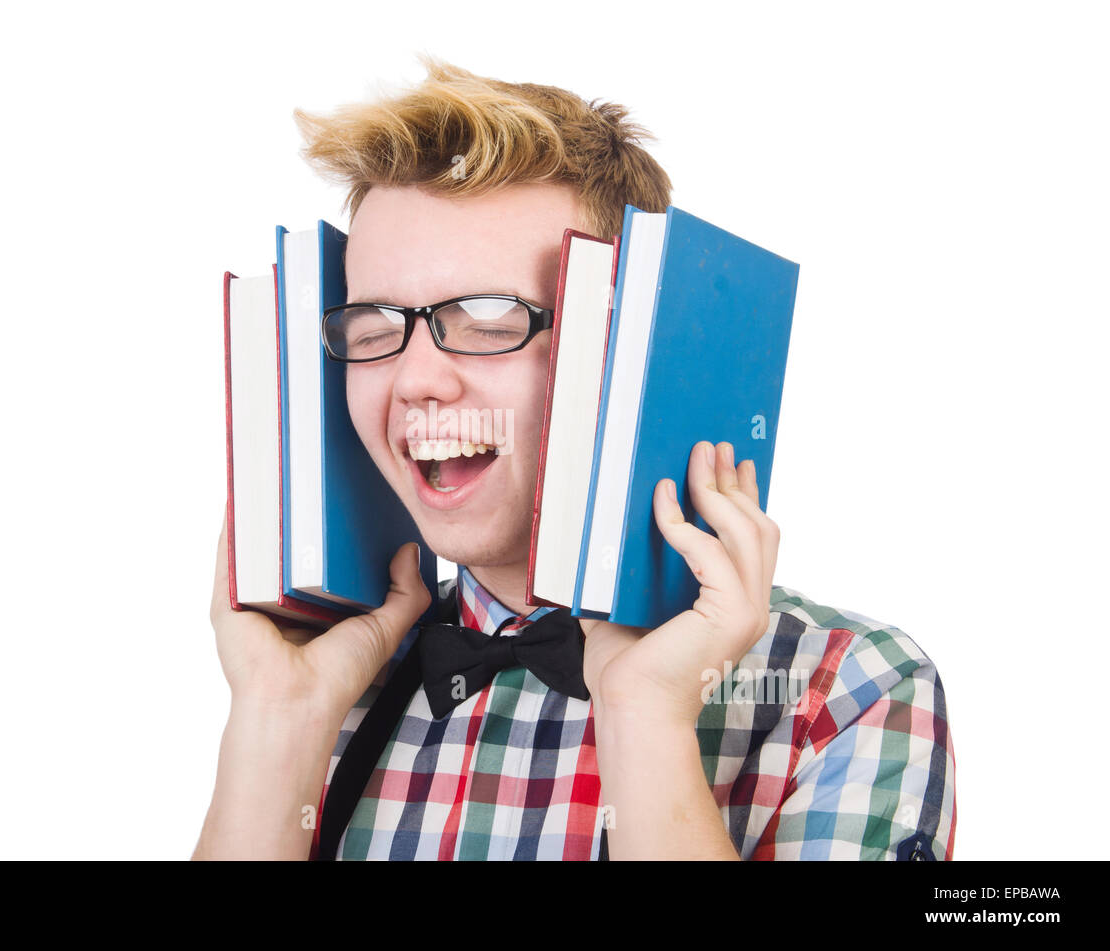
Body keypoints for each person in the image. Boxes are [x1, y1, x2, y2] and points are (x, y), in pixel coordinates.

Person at [192, 58, 956, 861]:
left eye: (489, 316)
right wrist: (278, 721)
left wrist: (647, 717)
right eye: (377, 324)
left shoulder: (852, 692)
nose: (414, 380)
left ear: (623, 348)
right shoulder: (326, 687)